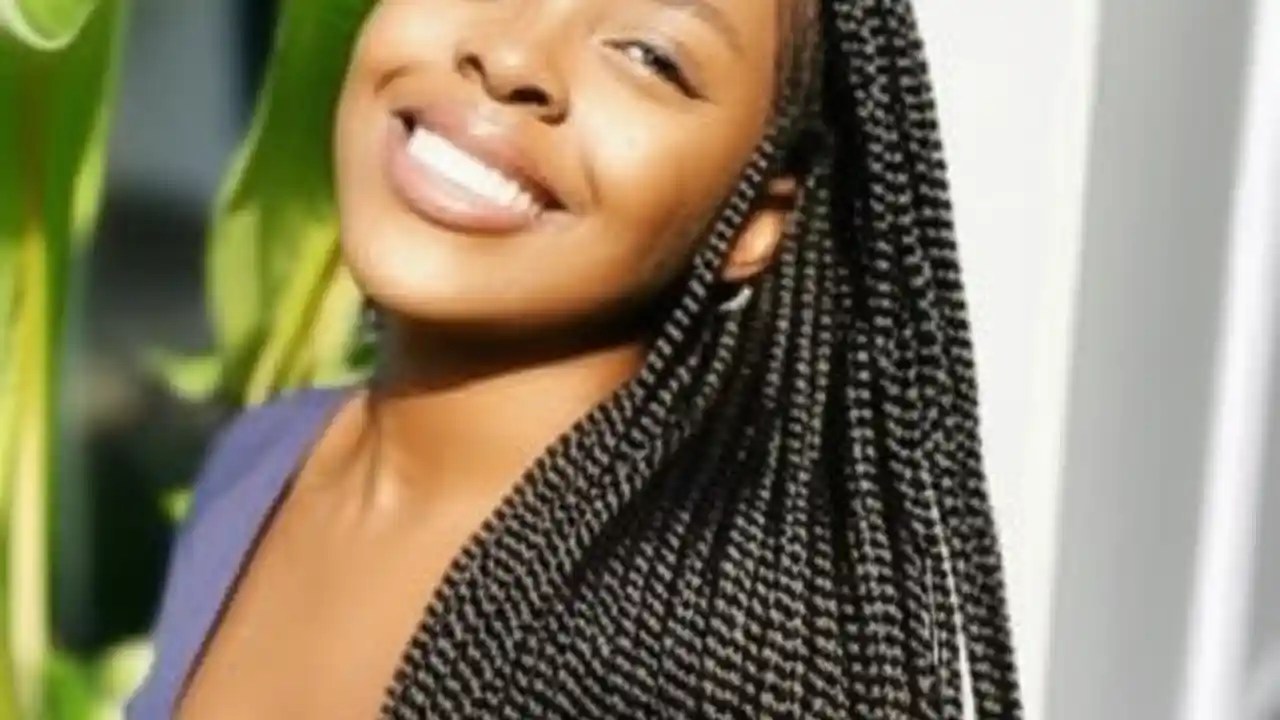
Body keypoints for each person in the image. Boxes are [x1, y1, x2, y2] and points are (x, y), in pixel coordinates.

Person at [127, 0, 1024, 717]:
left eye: (649, 55)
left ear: (759, 218)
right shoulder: (260, 464)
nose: (511, 59)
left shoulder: (726, 666)